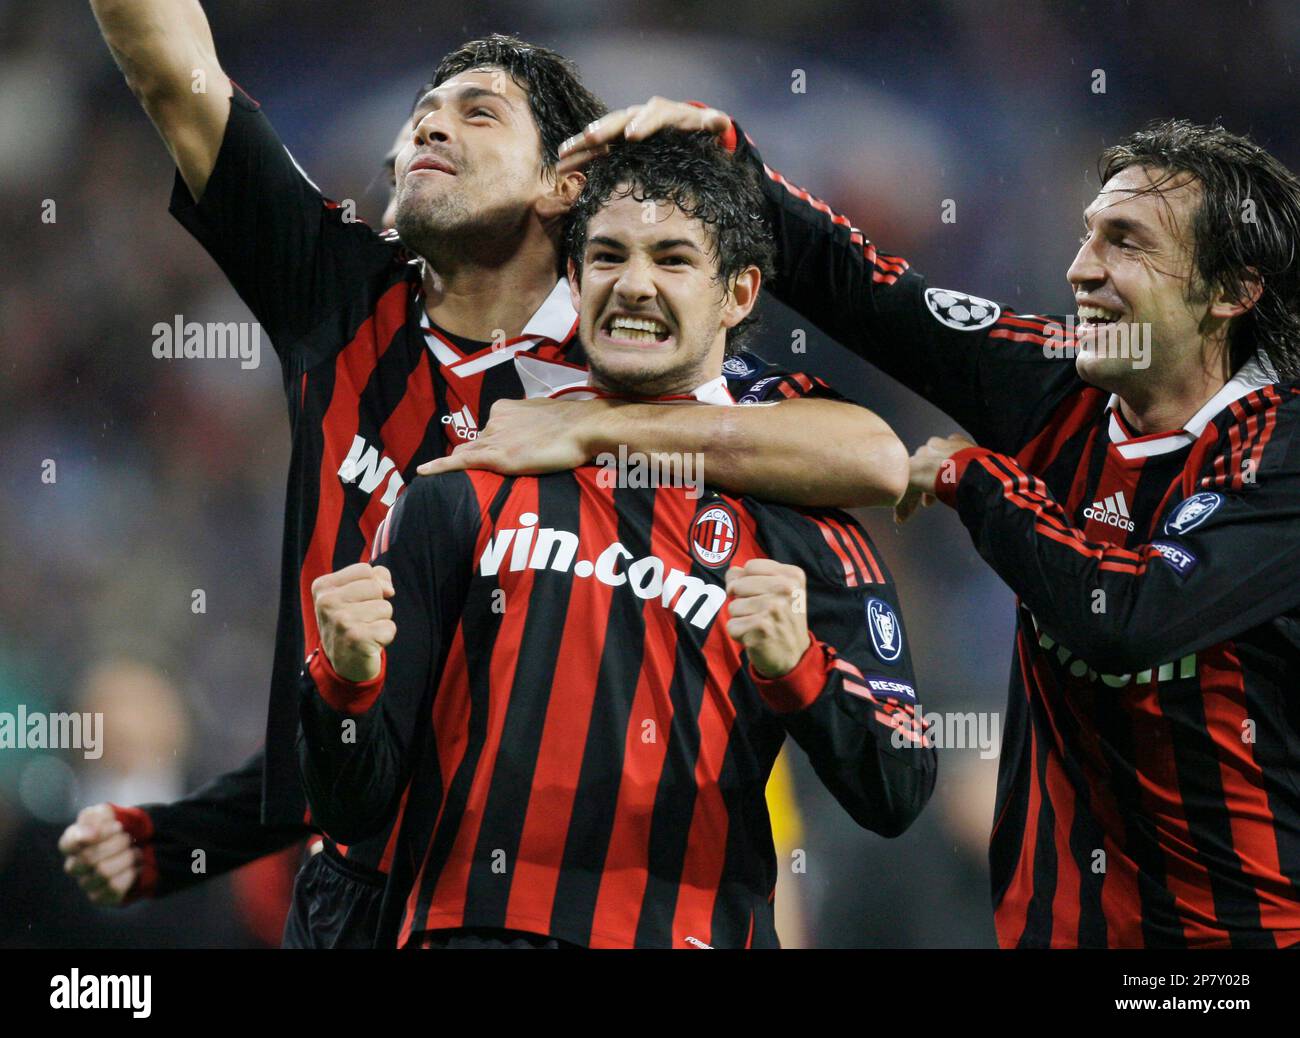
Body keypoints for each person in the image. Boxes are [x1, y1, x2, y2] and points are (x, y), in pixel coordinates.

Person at [69, 2, 907, 947]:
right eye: (422, 113)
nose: (430, 123)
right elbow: (166, 66)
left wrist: (594, 429)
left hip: (563, 894)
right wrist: (192, 837)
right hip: (360, 885)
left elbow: (871, 455)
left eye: (479, 112)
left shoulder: (630, 344)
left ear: (564, 182)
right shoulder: (335, 290)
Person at [560, 103, 1300, 947]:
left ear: (1236, 289)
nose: (1080, 270)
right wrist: (731, 162)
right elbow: (872, 292)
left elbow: (1128, 621)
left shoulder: (1280, 452)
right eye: (1088, 236)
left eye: (1126, 243)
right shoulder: (1060, 387)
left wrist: (974, 476)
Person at [299, 130, 936, 949]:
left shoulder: (800, 516)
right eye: (606, 257)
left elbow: (898, 788)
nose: (633, 285)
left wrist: (797, 670)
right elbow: (356, 803)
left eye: (672, 259)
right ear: (573, 277)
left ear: (739, 293)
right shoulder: (466, 488)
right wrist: (345, 684)